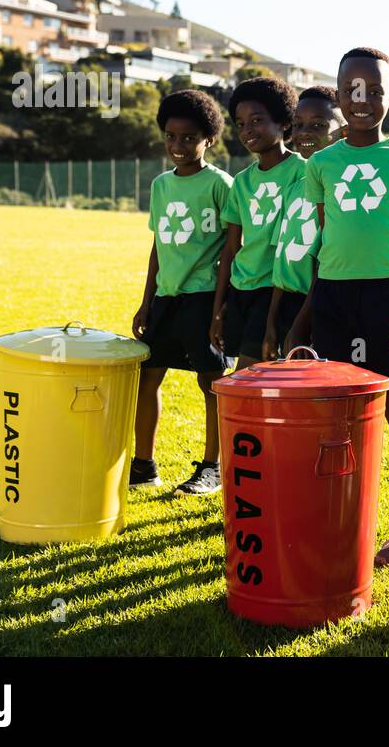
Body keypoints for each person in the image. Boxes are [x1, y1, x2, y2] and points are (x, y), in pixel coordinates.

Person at [290, 47, 389, 566]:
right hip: (335, 298)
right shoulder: (321, 164)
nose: (362, 99)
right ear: (338, 94)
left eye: (374, 91)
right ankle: (341, 516)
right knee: (339, 416)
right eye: (352, 90)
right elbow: (324, 244)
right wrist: (305, 316)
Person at [130, 90, 234, 496]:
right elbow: (158, 246)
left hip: (204, 297)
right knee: (147, 378)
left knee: (211, 384)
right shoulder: (160, 186)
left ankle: (212, 467)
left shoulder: (221, 185)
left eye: (188, 137)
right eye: (171, 137)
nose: (178, 145)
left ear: (209, 138)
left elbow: (232, 246)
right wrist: (146, 300)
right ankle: (145, 465)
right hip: (165, 300)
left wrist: (221, 309)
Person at [210, 76, 306, 383]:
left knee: (246, 378)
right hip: (241, 290)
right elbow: (230, 248)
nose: (247, 130)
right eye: (240, 123)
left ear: (283, 122)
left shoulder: (302, 172)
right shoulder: (241, 181)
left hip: (275, 290)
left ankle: (239, 432)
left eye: (257, 120)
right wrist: (219, 306)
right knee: (252, 375)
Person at [262, 86, 343, 359]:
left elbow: (324, 265)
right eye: (298, 125)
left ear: (343, 131)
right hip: (286, 305)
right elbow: (281, 261)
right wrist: (271, 322)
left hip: (316, 308)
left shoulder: (340, 190)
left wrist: (300, 325)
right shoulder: (295, 187)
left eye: (318, 125)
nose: (304, 132)